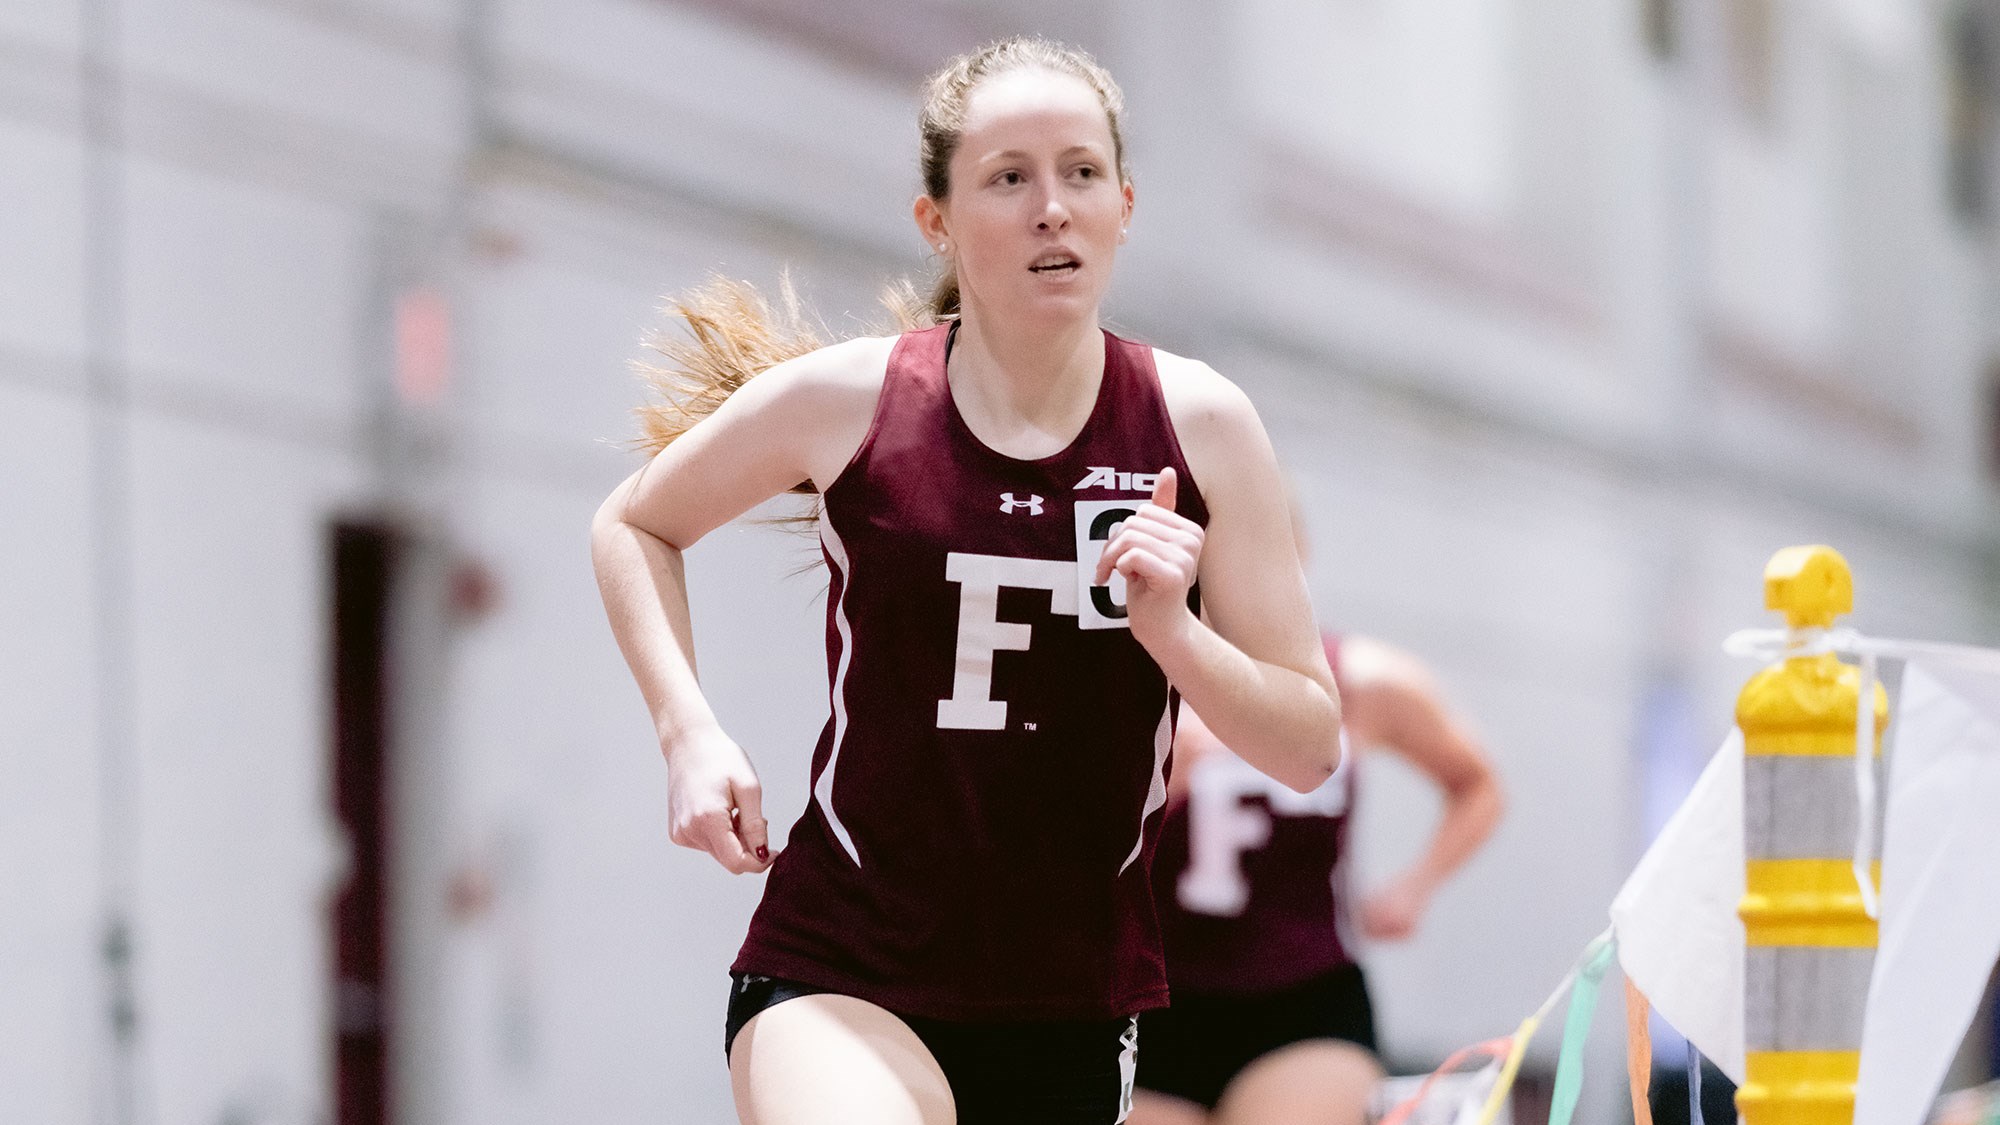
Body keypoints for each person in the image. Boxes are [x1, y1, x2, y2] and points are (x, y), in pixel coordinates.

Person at [589, 37, 1342, 1125]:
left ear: (1124, 205)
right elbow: (635, 521)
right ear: (935, 221)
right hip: (843, 963)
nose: (1052, 208)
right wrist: (686, 732)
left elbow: (1308, 744)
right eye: (1008, 177)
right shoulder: (848, 400)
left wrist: (1175, 634)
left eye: (1081, 172)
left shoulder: (1204, 425)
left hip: (1067, 999)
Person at [1130, 633, 1504, 1125]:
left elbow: (1476, 784)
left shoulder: (1358, 680)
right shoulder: (1129, 674)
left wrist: (1415, 886)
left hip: (1306, 995)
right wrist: (1149, 783)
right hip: (1152, 997)